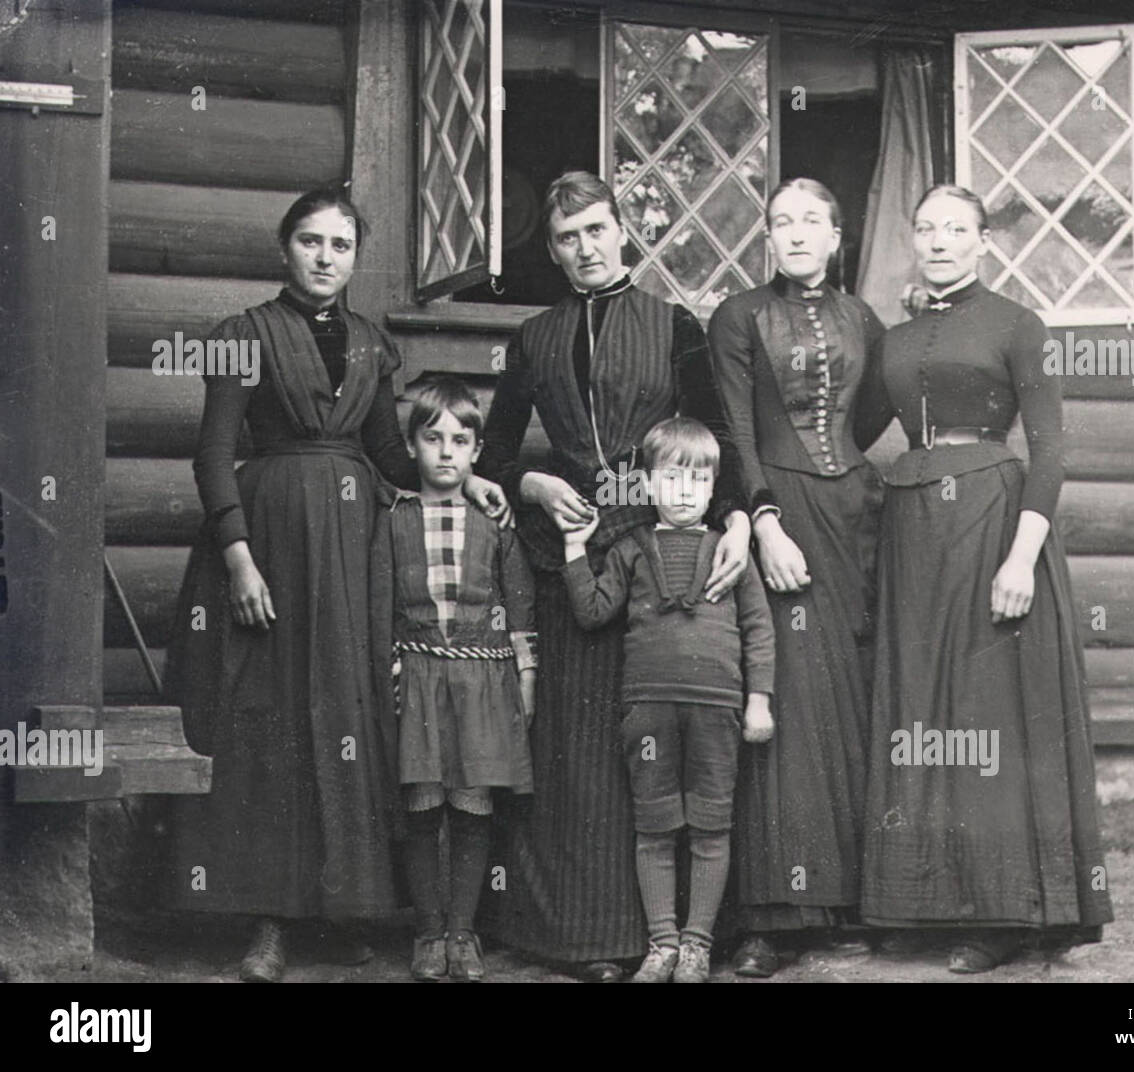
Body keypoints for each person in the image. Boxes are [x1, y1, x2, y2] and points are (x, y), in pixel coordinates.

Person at [164, 186, 507, 982]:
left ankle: (340, 907)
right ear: (285, 249)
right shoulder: (243, 335)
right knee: (267, 715)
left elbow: (391, 454)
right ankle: (269, 922)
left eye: (341, 245)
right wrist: (239, 555)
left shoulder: (370, 344)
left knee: (347, 710)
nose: (326, 257)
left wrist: (473, 480)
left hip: (353, 548)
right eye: (311, 241)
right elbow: (213, 455)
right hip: (270, 542)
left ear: (356, 256)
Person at [476, 171, 752, 981]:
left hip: (658, 550)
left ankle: (666, 938)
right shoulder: (534, 337)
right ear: (554, 252)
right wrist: (534, 483)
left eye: (597, 230)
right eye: (567, 238)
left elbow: (721, 437)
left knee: (653, 742)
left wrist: (736, 516)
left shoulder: (674, 325)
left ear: (623, 231)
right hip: (572, 550)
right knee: (576, 743)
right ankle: (580, 935)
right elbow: (494, 453)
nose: (585, 249)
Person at [855, 184, 1114, 973]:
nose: (938, 241)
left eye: (955, 229)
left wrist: (1021, 556)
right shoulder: (895, 337)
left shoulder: (1016, 324)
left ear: (983, 240)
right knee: (919, 706)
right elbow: (855, 428)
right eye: (926, 228)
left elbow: (1051, 450)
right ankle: (924, 905)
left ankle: (1003, 915)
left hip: (992, 524)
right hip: (914, 532)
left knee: (983, 713)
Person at [707, 177, 886, 977]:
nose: (797, 232)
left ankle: (844, 901)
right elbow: (735, 427)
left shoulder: (864, 319)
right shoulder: (738, 316)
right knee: (780, 698)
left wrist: (844, 468)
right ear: (768, 238)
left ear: (837, 235)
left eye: (813, 219)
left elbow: (874, 411)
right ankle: (772, 917)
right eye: (782, 221)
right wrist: (766, 517)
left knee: (846, 695)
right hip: (782, 509)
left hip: (852, 512)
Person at [562, 417, 776, 983]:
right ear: (648, 485)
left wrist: (759, 701)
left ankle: (698, 943)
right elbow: (591, 611)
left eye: (698, 481)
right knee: (655, 827)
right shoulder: (633, 547)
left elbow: (758, 628)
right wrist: (574, 549)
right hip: (649, 709)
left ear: (713, 490)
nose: (685, 492)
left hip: (715, 709)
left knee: (710, 826)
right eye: (672, 478)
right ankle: (661, 943)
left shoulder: (730, 552)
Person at [370, 374, 537, 983]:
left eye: (460, 440)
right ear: (411, 446)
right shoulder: (393, 520)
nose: (445, 452)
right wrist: (385, 672)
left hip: (482, 682)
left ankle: (464, 933)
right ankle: (428, 931)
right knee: (422, 802)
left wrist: (525, 675)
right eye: (432, 438)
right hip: (415, 677)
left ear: (475, 451)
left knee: (470, 803)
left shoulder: (494, 521)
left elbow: (518, 605)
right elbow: (381, 605)